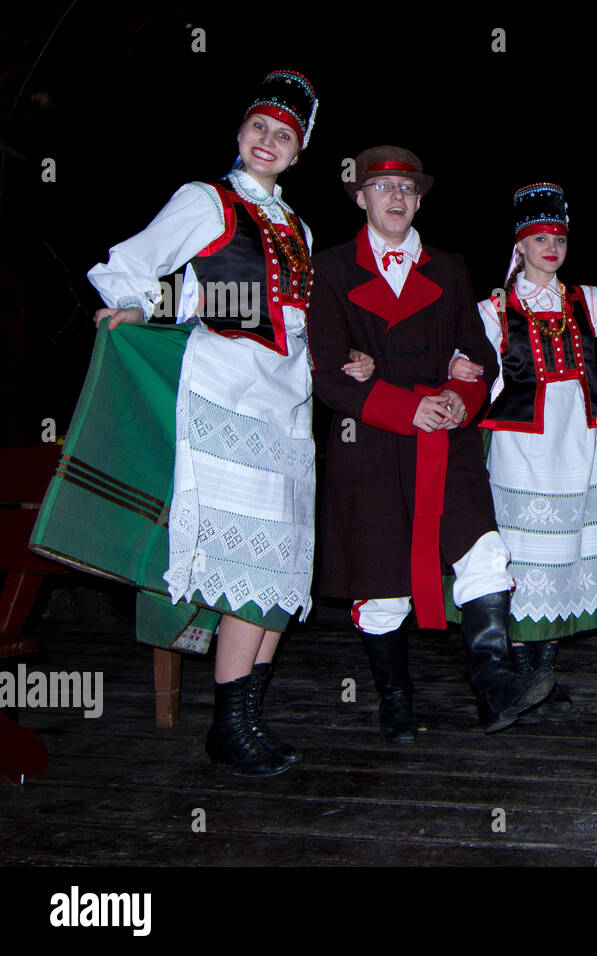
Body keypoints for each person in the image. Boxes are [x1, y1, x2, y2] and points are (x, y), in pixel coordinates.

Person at [31, 70, 320, 776]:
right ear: (240, 132)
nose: (267, 141)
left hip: (285, 407)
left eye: (284, 135)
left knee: (280, 568)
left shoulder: (300, 227)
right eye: (259, 126)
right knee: (248, 565)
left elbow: (283, 315)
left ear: (298, 151)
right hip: (223, 394)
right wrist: (144, 308)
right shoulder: (205, 199)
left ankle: (247, 717)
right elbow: (136, 265)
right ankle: (228, 724)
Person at [308, 146, 554, 737]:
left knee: (486, 554)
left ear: (419, 200)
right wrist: (404, 404)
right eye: (384, 186)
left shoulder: (449, 266)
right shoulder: (333, 268)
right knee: (382, 582)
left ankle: (494, 689)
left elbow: (481, 354)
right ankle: (396, 703)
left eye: (407, 188)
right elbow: (329, 375)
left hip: (447, 440)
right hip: (370, 444)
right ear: (362, 196)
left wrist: (457, 400)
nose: (397, 197)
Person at [445, 183, 597, 711]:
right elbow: (460, 355)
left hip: (578, 442)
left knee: (565, 556)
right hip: (519, 444)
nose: (551, 247)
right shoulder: (494, 308)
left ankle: (544, 671)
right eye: (539, 238)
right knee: (522, 557)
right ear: (520, 245)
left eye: (558, 237)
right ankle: (517, 674)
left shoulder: (585, 300)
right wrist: (455, 368)